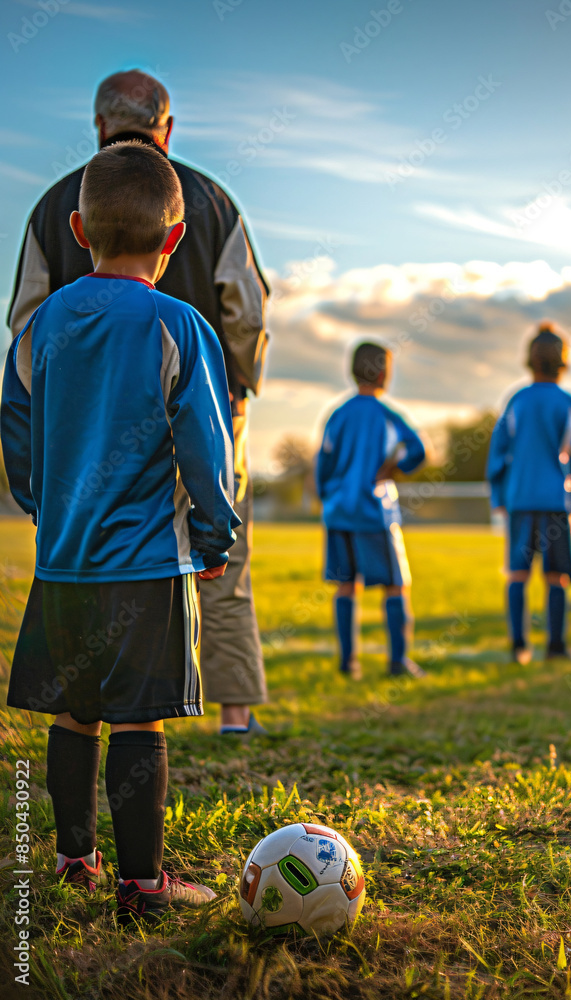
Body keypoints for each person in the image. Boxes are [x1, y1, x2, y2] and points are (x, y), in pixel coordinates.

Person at [1, 141, 240, 923]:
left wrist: (43, 505)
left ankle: (73, 858)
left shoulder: (40, 328)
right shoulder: (181, 324)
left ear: (77, 229)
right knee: (137, 720)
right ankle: (141, 881)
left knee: (75, 711)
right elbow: (207, 447)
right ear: (174, 240)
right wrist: (215, 537)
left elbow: (17, 424)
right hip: (147, 567)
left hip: (64, 565)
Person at [7, 69, 268, 738]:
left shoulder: (52, 205)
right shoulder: (210, 199)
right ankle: (233, 711)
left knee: (95, 556)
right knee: (223, 561)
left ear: (98, 126)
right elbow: (246, 310)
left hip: (87, 432)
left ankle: (85, 712)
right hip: (206, 405)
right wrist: (236, 388)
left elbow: (27, 322)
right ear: (167, 126)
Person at [316, 342, 426, 679]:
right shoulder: (387, 414)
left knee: (346, 585)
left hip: (338, 511)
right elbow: (420, 449)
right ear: (383, 374)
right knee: (395, 585)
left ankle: (348, 663)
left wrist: (328, 497)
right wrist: (396, 468)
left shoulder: (337, 414)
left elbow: (324, 463)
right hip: (373, 511)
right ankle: (398, 661)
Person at [486, 322, 571, 665]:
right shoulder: (569, 404)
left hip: (519, 500)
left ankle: (519, 646)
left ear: (529, 361)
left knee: (517, 573)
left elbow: (497, 455)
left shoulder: (515, 401)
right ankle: (556, 646)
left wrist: (499, 496)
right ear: (563, 362)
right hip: (556, 502)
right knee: (556, 575)